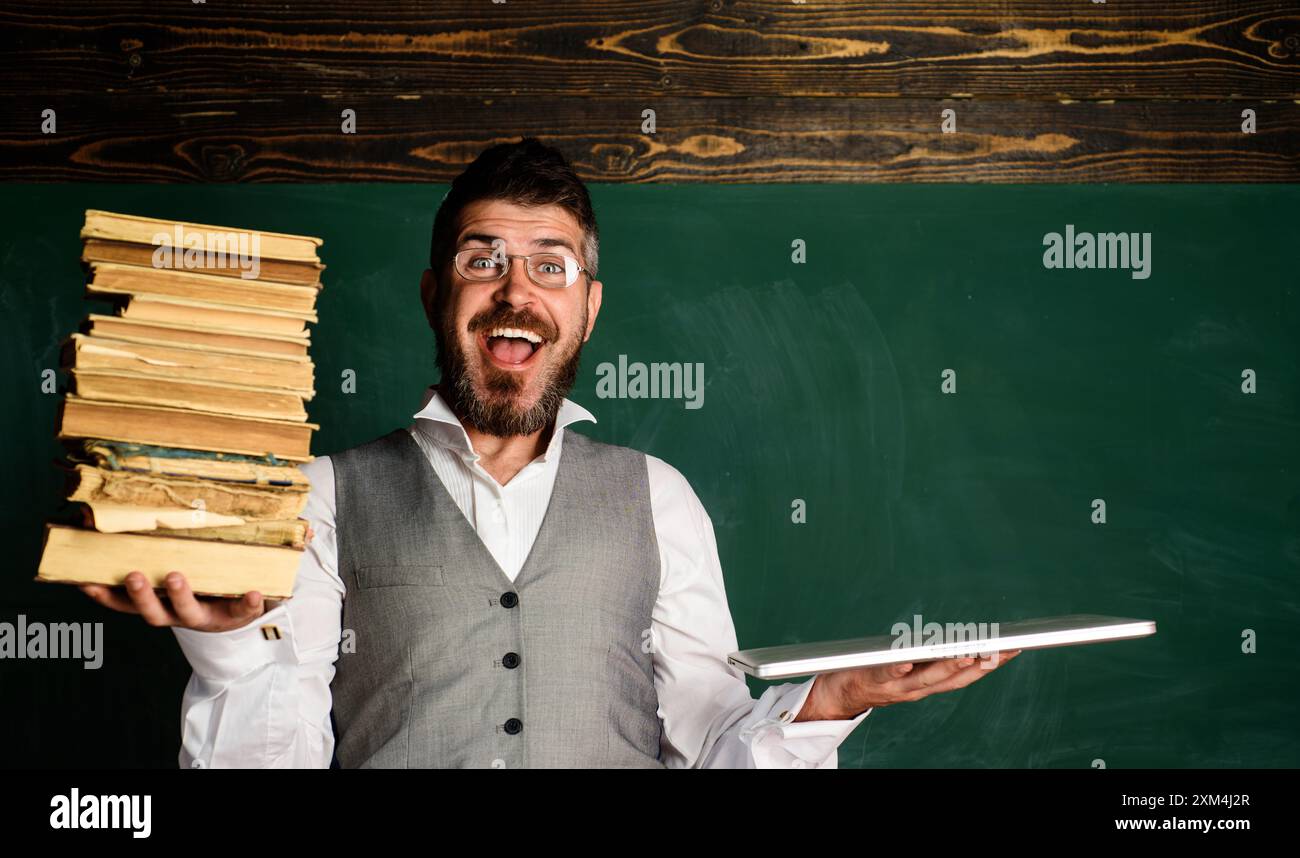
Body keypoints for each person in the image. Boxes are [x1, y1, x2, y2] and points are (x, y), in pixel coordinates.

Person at [80, 138, 1017, 768]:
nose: (515, 291)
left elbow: (709, 745)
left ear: (588, 308)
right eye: (482, 259)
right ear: (432, 292)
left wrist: (826, 701)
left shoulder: (658, 498)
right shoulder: (320, 495)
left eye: (550, 265)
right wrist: (228, 646)